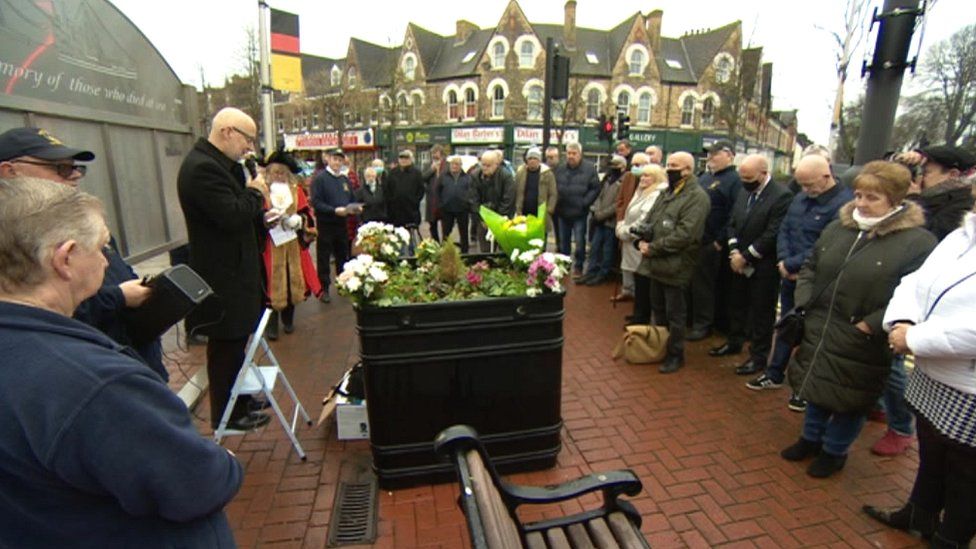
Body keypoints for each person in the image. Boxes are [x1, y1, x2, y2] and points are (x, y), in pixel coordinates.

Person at [0, 178, 243, 546]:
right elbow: (194, 482)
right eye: (102, 247)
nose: (105, 260)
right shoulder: (93, 384)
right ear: (65, 259)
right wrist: (222, 460)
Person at [781, 161, 936, 478]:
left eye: (872, 197)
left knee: (852, 397)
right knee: (816, 385)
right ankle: (810, 438)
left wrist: (871, 323)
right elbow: (812, 266)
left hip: (863, 332)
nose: (861, 203)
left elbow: (916, 294)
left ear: (894, 200)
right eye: (859, 195)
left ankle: (834, 451)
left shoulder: (916, 242)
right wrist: (805, 302)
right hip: (822, 322)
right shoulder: (841, 227)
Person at [0, 127, 165, 378]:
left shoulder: (81, 221)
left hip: (130, 359)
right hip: (90, 377)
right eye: (61, 168)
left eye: (76, 167)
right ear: (10, 171)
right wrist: (119, 297)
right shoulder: (11, 241)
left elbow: (118, 272)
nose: (75, 175)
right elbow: (44, 312)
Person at [862, 207, 976, 548]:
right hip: (934, 370)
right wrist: (901, 322)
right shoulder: (961, 235)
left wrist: (913, 339)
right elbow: (915, 282)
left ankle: (950, 539)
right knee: (931, 454)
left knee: (966, 477)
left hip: (969, 386)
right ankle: (919, 513)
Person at [177, 107, 271, 432]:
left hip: (236, 272)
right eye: (247, 139)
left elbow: (240, 214)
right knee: (225, 348)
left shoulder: (221, 165)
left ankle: (240, 400)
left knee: (238, 344)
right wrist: (255, 193)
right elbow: (230, 215)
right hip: (223, 277)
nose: (250, 148)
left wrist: (262, 215)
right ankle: (226, 413)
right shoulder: (203, 169)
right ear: (228, 132)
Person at [746, 155, 852, 406]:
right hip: (789, 273)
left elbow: (826, 245)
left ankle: (803, 386)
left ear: (827, 177)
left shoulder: (843, 205)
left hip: (815, 280)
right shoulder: (800, 198)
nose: (805, 190)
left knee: (810, 334)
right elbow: (785, 230)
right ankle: (774, 374)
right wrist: (783, 261)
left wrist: (794, 265)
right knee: (786, 326)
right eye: (801, 185)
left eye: (809, 185)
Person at [709, 155, 792, 379]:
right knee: (736, 303)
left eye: (749, 177)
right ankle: (734, 341)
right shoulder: (744, 191)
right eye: (742, 177)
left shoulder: (781, 196)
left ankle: (758, 356)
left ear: (764, 173)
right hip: (738, 261)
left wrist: (747, 256)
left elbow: (773, 232)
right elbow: (733, 222)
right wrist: (735, 251)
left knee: (760, 312)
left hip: (762, 265)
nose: (745, 181)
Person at [634, 152, 710, 373]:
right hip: (656, 262)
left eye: (674, 166)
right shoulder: (667, 192)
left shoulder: (697, 197)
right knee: (658, 309)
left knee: (675, 313)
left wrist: (653, 248)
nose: (669, 169)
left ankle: (676, 354)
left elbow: (685, 235)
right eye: (668, 165)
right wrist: (642, 237)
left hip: (676, 264)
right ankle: (660, 347)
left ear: (687, 170)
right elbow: (652, 219)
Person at [261, 150, 322, 340]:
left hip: (292, 244)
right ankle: (271, 325)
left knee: (292, 281)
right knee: (270, 284)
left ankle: (288, 321)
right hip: (270, 246)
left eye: (282, 173)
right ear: (269, 173)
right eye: (275, 172)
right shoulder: (261, 191)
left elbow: (307, 215)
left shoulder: (296, 192)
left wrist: (300, 221)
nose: (278, 176)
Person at [688, 140, 742, 341]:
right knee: (693, 282)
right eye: (709, 154)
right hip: (695, 239)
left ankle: (703, 324)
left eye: (715, 154)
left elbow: (734, 214)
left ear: (729, 155)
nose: (710, 157)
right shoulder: (704, 177)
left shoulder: (734, 180)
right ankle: (693, 318)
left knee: (705, 286)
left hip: (712, 242)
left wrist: (720, 241)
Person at [617, 164, 668, 324]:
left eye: (648, 176)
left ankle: (641, 317)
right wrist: (622, 227)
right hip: (630, 241)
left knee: (643, 282)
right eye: (643, 175)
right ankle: (638, 313)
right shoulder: (641, 191)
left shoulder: (655, 194)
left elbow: (643, 220)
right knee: (638, 282)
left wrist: (623, 231)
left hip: (639, 243)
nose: (643, 179)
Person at [898, 145, 976, 241]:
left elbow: (931, 235)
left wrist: (913, 199)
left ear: (953, 175)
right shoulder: (928, 193)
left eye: (926, 172)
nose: (920, 177)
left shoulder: (963, 204)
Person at [310, 148, 356, 304]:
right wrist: (334, 210)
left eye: (340, 160)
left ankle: (342, 284)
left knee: (342, 255)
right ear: (328, 160)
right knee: (324, 257)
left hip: (342, 224)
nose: (337, 163)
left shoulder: (344, 180)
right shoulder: (320, 179)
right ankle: (324, 289)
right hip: (326, 224)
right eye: (335, 159)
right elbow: (316, 202)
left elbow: (352, 197)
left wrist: (355, 207)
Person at [555, 141, 600, 276]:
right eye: (568, 153)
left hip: (579, 213)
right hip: (563, 212)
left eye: (574, 153)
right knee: (564, 243)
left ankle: (579, 266)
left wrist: (584, 202)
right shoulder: (561, 168)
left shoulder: (589, 168)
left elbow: (595, 188)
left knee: (580, 243)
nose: (571, 156)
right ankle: (565, 265)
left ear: (580, 154)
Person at [579, 154, 624, 286]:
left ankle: (603, 274)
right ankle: (590, 272)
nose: (612, 168)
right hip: (598, 220)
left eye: (616, 166)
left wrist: (602, 214)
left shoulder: (622, 182)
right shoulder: (606, 179)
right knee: (594, 248)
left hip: (610, 221)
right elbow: (599, 196)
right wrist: (596, 211)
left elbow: (618, 203)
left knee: (607, 250)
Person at [613, 152, 651, 302]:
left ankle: (637, 293)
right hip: (625, 224)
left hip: (639, 230)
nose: (636, 168)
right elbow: (620, 199)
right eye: (634, 164)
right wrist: (620, 219)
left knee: (638, 263)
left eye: (639, 165)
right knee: (625, 261)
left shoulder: (651, 182)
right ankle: (627, 289)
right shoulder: (628, 177)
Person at [470, 149, 516, 251]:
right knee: (485, 251)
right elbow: (473, 200)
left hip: (502, 219)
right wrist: (482, 219)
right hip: (483, 220)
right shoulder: (475, 176)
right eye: (483, 164)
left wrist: (496, 220)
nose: (484, 168)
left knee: (504, 250)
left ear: (496, 164)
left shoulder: (506, 176)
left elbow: (508, 200)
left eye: (488, 165)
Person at [386, 150, 426, 243]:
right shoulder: (393, 173)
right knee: (396, 237)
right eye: (401, 158)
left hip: (411, 211)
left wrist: (414, 201)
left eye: (406, 158)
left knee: (410, 237)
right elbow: (387, 189)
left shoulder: (416, 173)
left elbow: (421, 189)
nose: (403, 160)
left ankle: (411, 252)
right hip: (395, 212)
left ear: (411, 160)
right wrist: (392, 201)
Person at [514, 146, 558, 232]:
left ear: (539, 160)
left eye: (535, 158)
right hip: (523, 215)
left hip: (541, 215)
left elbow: (553, 194)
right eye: (530, 158)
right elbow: (515, 191)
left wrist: (549, 210)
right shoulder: (520, 173)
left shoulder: (548, 174)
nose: (532, 160)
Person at [438, 155, 473, 253]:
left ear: (461, 166)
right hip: (447, 209)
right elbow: (438, 190)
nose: (454, 166)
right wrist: (441, 204)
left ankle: (465, 253)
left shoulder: (467, 178)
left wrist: (468, 203)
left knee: (464, 232)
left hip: (462, 209)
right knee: (446, 233)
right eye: (452, 164)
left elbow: (471, 192)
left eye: (457, 164)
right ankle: (444, 252)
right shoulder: (443, 176)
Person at [422, 145, 446, 241]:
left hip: (443, 199)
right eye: (432, 153)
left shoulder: (447, 165)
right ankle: (435, 243)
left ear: (441, 153)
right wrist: (432, 170)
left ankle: (445, 244)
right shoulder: (428, 165)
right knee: (432, 224)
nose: (434, 155)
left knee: (445, 224)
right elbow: (423, 178)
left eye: (436, 152)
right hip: (432, 199)